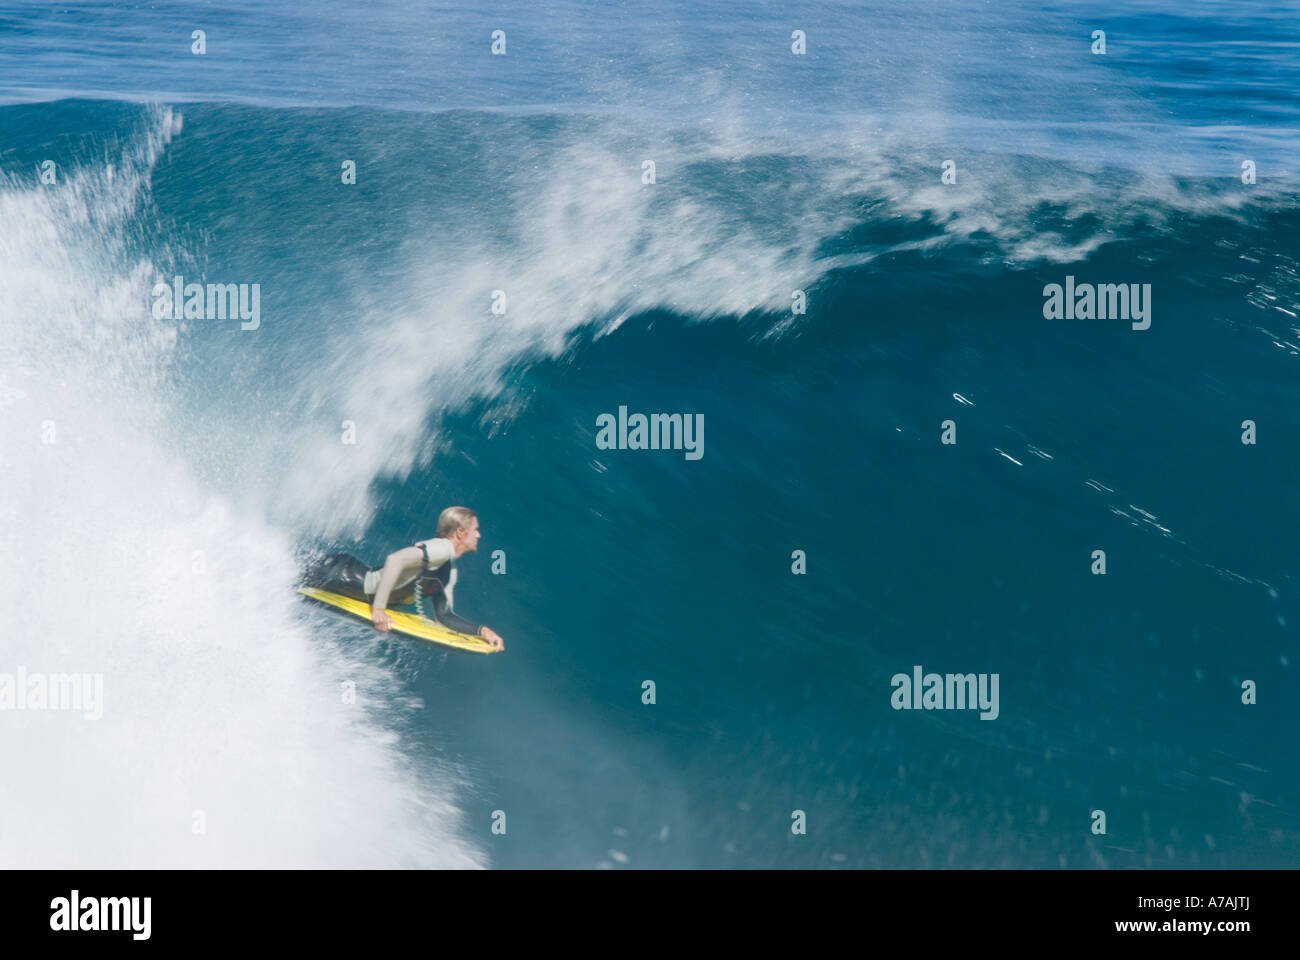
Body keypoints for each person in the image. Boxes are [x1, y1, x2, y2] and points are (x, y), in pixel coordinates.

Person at [300, 506, 505, 651]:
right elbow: (395, 560)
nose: (479, 535)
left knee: (283, 571)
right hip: (340, 575)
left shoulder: (444, 567)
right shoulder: (440, 549)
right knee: (283, 570)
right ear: (460, 533)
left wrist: (482, 631)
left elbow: (444, 616)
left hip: (346, 580)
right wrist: (379, 610)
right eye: (475, 530)